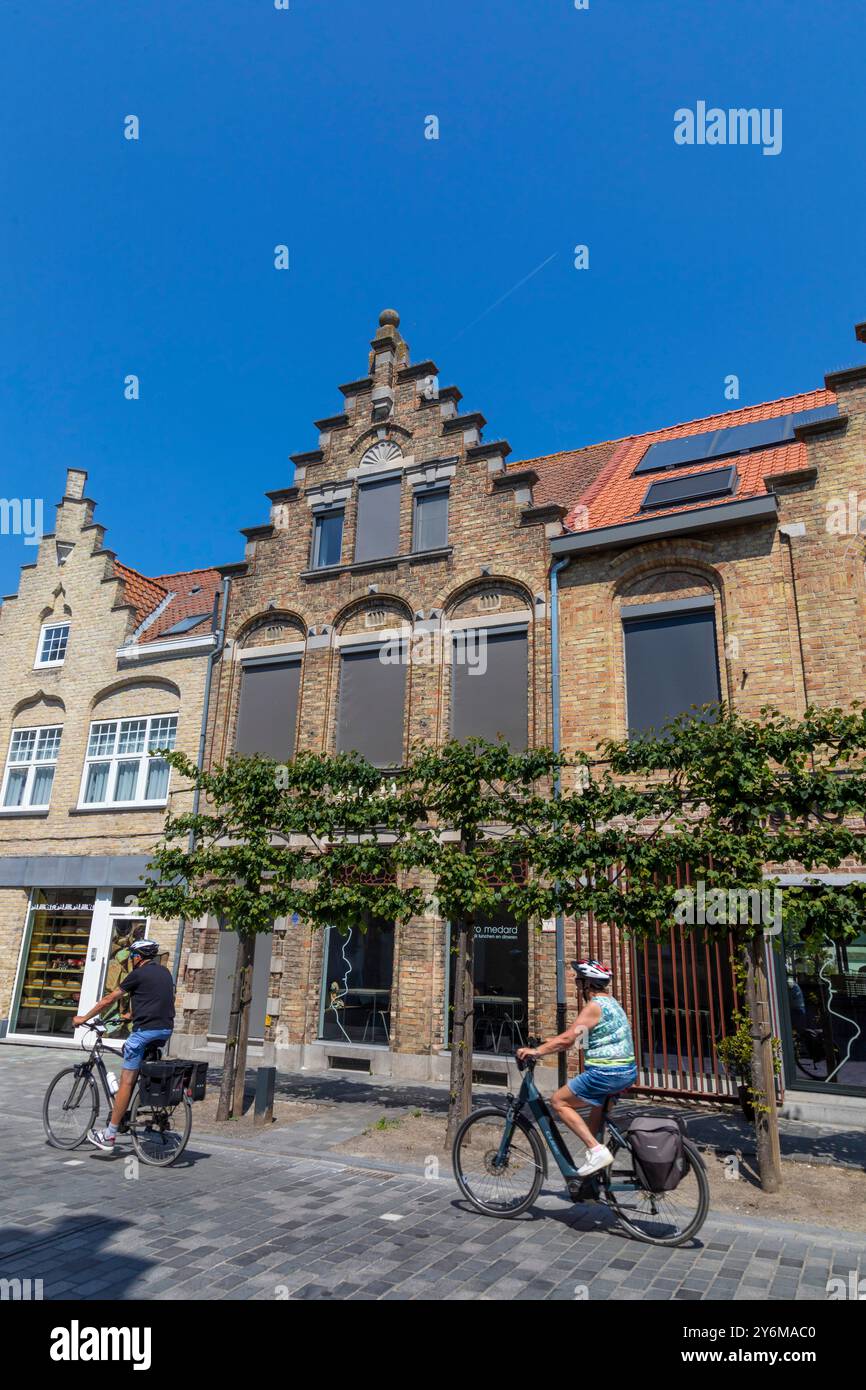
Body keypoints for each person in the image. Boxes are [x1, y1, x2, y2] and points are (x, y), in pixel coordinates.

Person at [516, 958, 637, 1177]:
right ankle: (594, 1170)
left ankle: (596, 1150)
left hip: (606, 1073)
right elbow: (578, 1039)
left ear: (587, 984)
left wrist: (537, 1051)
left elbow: (568, 1040)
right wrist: (552, 1043)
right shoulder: (612, 1003)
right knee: (596, 1110)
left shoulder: (594, 1006)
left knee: (558, 1101)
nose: (577, 985)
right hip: (625, 1072)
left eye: (579, 981)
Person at [72, 939, 175, 1152]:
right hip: (164, 1030)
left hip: (144, 1032)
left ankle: (109, 1135)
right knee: (137, 1066)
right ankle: (140, 1109)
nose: (130, 960)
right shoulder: (164, 973)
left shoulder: (137, 974)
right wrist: (131, 1015)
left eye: (131, 956)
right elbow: (156, 998)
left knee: (126, 1082)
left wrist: (84, 1018)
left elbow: (108, 999)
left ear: (137, 957)